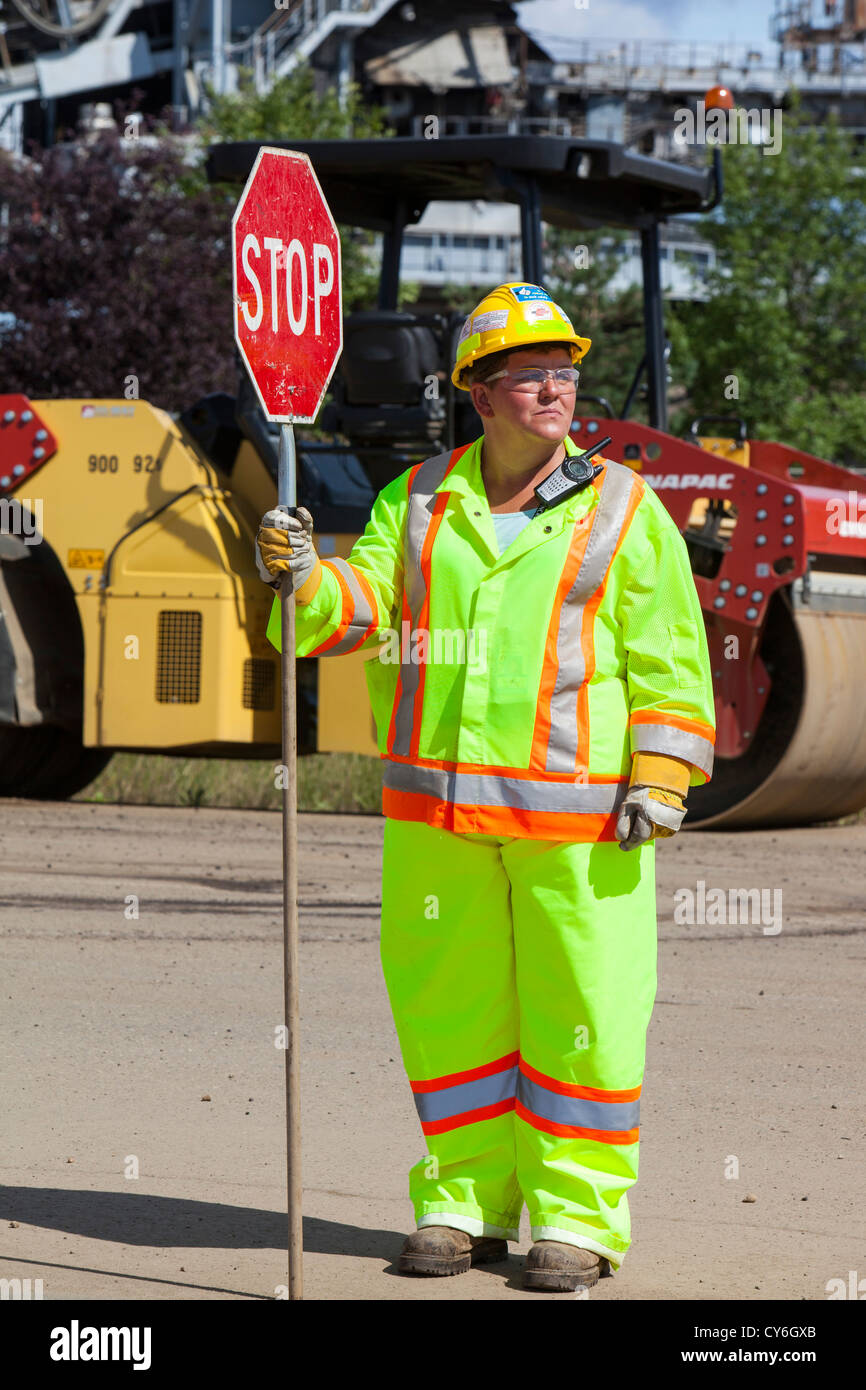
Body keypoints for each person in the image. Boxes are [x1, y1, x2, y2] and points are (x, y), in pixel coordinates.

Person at [255, 282, 716, 1292]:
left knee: (583, 1014)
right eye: (531, 374)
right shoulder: (415, 499)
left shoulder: (623, 505)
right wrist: (301, 578)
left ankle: (575, 1219)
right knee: (447, 1015)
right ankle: (460, 1201)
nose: (555, 388)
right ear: (478, 389)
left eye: (565, 370)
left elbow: (671, 654)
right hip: (436, 822)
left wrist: (663, 773)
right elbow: (358, 608)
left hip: (582, 819)